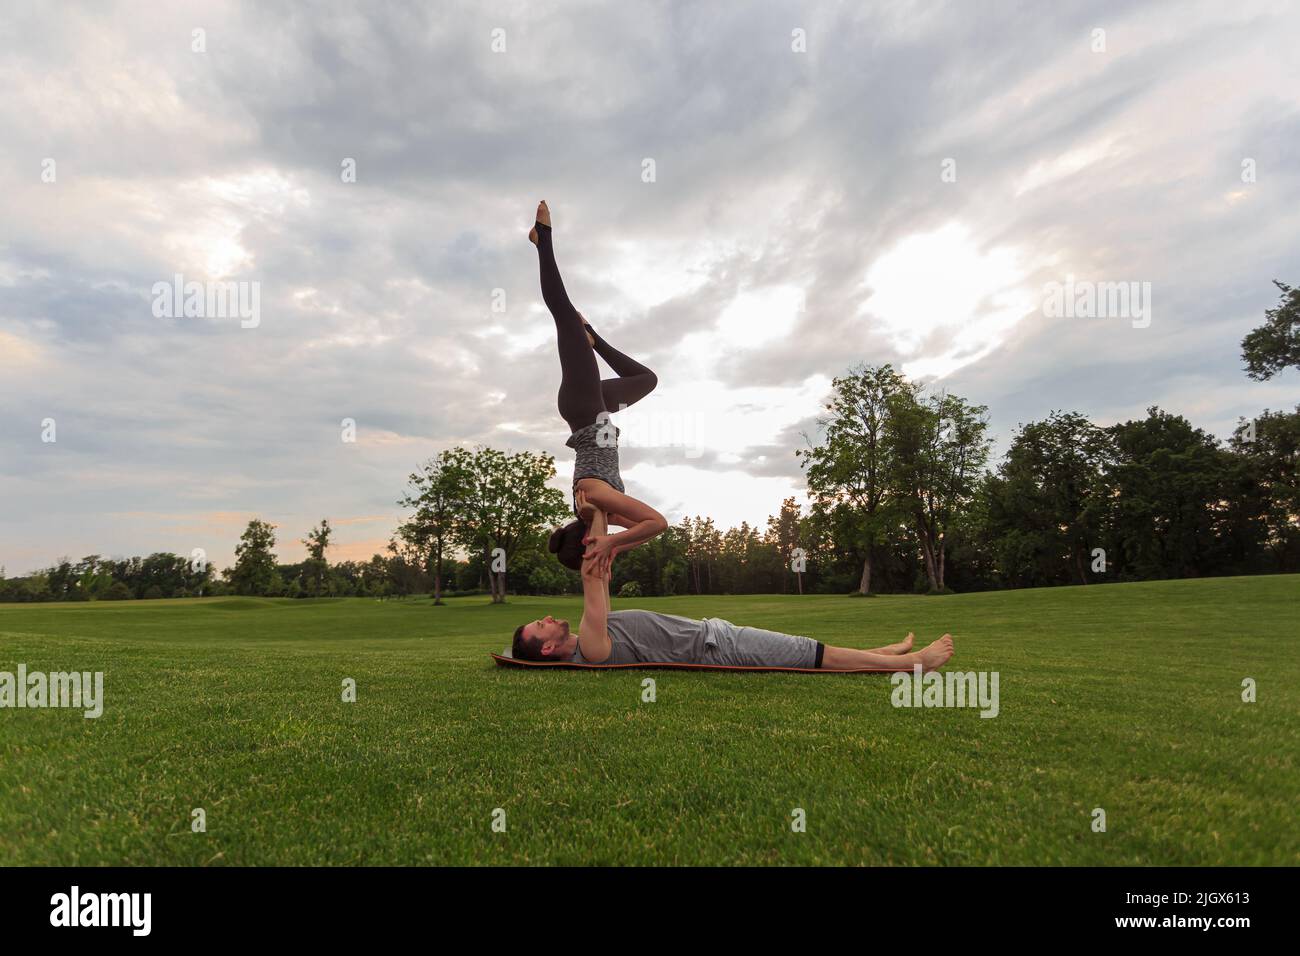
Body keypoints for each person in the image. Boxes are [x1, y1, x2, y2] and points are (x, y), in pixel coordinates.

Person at [511, 503, 956, 672]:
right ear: (549, 649)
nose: (548, 618)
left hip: (713, 635)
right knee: (806, 652)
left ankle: (885, 652)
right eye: (541, 625)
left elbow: (599, 567)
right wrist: (596, 506)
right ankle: (915, 663)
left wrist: (605, 529)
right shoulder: (590, 647)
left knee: (803, 648)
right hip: (714, 648)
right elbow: (592, 572)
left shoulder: (596, 634)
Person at [530, 200, 666, 576]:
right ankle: (594, 339)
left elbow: (658, 523)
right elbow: (644, 531)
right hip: (597, 409)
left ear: (588, 540)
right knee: (647, 380)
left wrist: (610, 543)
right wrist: (614, 547)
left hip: (584, 409)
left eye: (599, 545)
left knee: (563, 312)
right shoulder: (608, 513)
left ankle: (542, 240)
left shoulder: (595, 500)